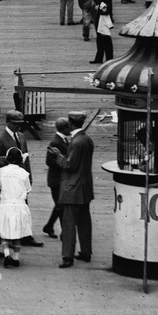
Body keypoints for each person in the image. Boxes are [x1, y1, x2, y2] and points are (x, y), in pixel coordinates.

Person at [50, 111, 95, 268]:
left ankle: (67, 256)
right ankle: (86, 252)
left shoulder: (76, 142)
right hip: (85, 187)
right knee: (84, 221)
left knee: (69, 223)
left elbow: (70, 165)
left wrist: (59, 155)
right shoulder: (86, 139)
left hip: (72, 188)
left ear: (70, 123)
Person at [0, 149, 35, 267]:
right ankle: (16, 258)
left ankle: (7, 254)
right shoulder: (24, 173)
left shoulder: (1, 171)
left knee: (5, 232)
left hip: (6, 205)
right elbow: (28, 189)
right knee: (17, 233)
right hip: (20, 206)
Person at [42, 116, 71, 239]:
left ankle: (49, 226)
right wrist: (63, 163)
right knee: (60, 205)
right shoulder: (56, 142)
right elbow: (49, 161)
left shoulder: (63, 140)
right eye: (69, 127)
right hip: (56, 180)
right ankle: (64, 232)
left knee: (60, 205)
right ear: (64, 128)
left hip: (60, 180)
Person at [91, 0, 116, 64]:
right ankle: (101, 57)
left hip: (103, 19)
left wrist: (98, 9)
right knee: (101, 39)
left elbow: (107, 9)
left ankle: (106, 57)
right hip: (101, 18)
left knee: (104, 39)